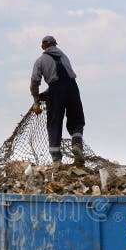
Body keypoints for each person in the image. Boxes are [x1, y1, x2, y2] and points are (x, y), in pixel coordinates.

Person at [30, 35, 85, 166]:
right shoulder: (64, 56)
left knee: (54, 121)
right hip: (72, 88)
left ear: (43, 47)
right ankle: (76, 144)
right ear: (56, 44)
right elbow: (63, 77)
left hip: (56, 91)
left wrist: (36, 100)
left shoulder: (40, 61)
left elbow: (35, 82)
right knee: (76, 118)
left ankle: (56, 159)